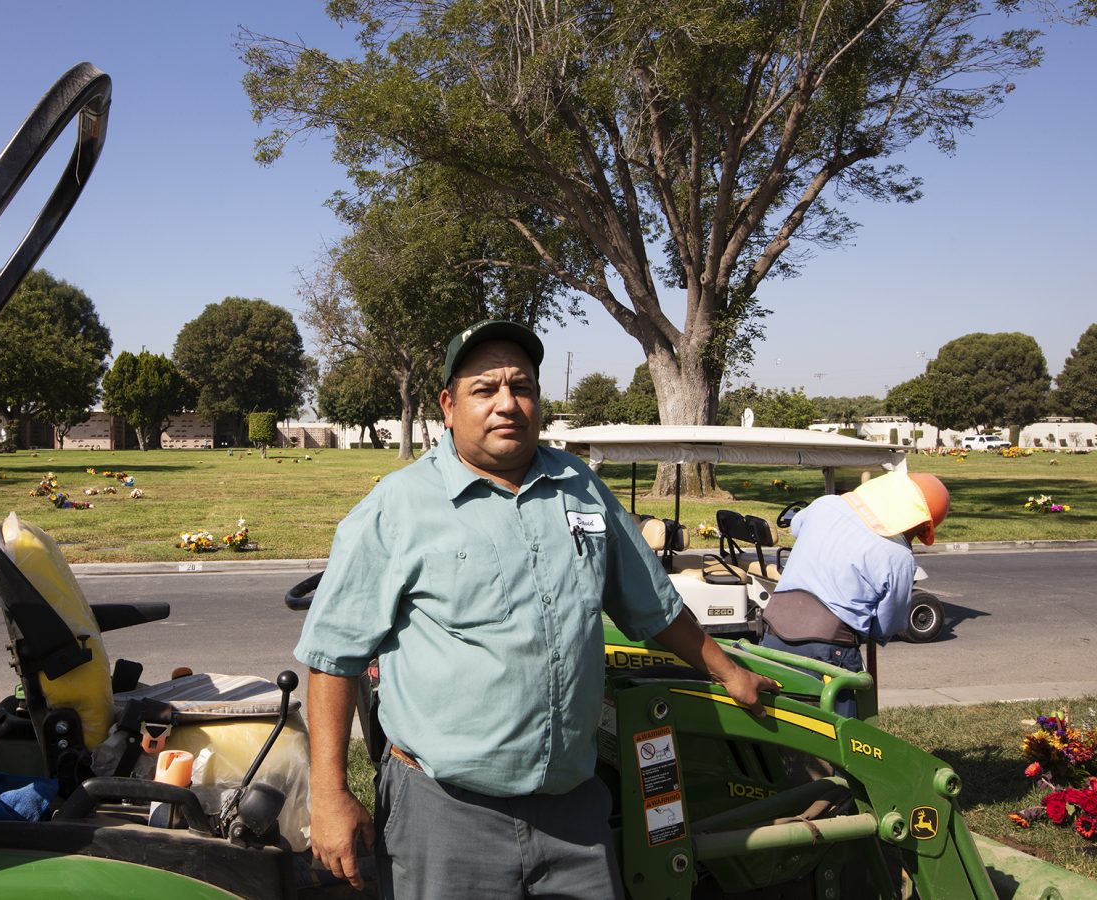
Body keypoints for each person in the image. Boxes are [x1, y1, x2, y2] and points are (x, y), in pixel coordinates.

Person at [293, 319, 778, 898]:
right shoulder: (397, 508)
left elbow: (652, 605)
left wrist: (730, 673)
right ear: (448, 406)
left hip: (573, 813)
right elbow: (332, 656)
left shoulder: (580, 486)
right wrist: (328, 793)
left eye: (522, 387)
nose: (508, 404)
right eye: (485, 389)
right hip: (444, 816)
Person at [760, 470, 950, 717]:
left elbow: (796, 525)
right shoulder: (898, 557)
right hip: (829, 651)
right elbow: (887, 625)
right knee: (839, 733)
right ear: (922, 525)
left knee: (785, 720)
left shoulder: (827, 505)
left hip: (773, 633)